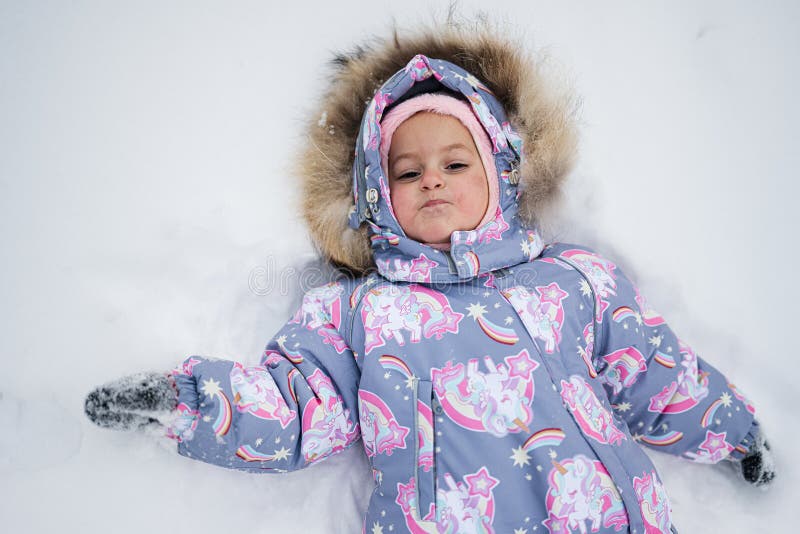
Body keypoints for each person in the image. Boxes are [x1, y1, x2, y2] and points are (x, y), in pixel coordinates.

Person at [84, 23, 775, 533]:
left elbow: (652, 370)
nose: (433, 180)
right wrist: (186, 402)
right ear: (377, 199)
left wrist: (736, 430)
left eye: (456, 162)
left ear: (501, 176)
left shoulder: (573, 281)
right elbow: (293, 407)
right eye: (408, 172)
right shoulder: (356, 316)